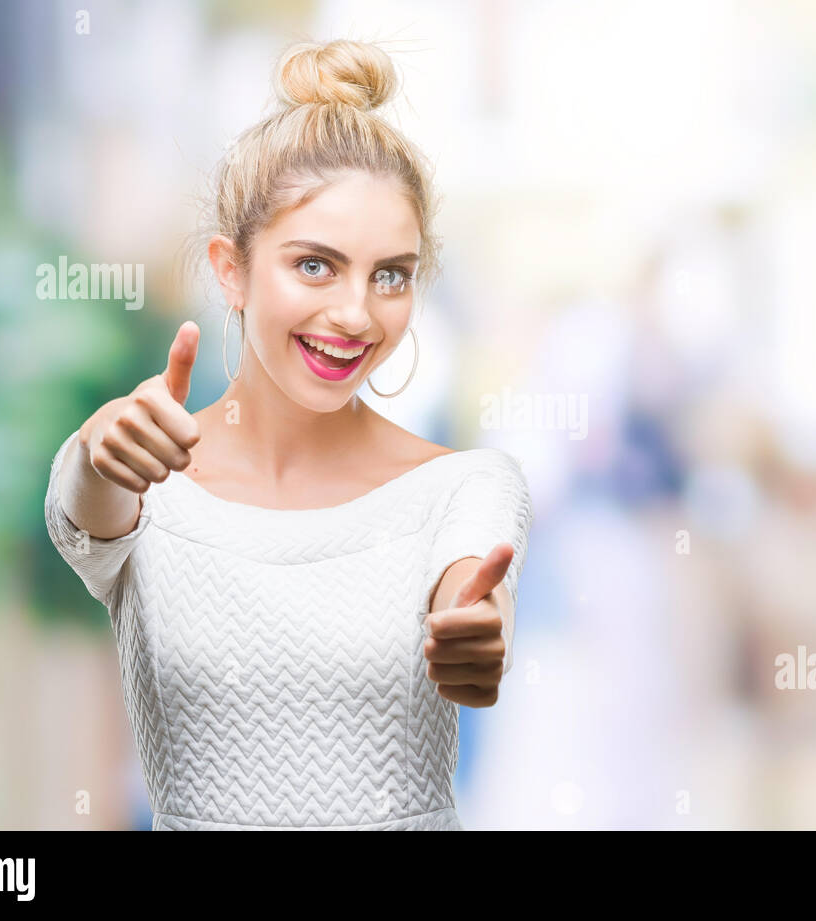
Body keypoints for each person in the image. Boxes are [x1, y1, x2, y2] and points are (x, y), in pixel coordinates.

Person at [43, 38, 533, 830]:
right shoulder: (146, 481)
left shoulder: (466, 485)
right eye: (315, 265)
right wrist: (101, 446)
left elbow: (473, 586)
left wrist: (476, 633)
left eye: (389, 275)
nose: (354, 313)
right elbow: (86, 503)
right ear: (230, 269)